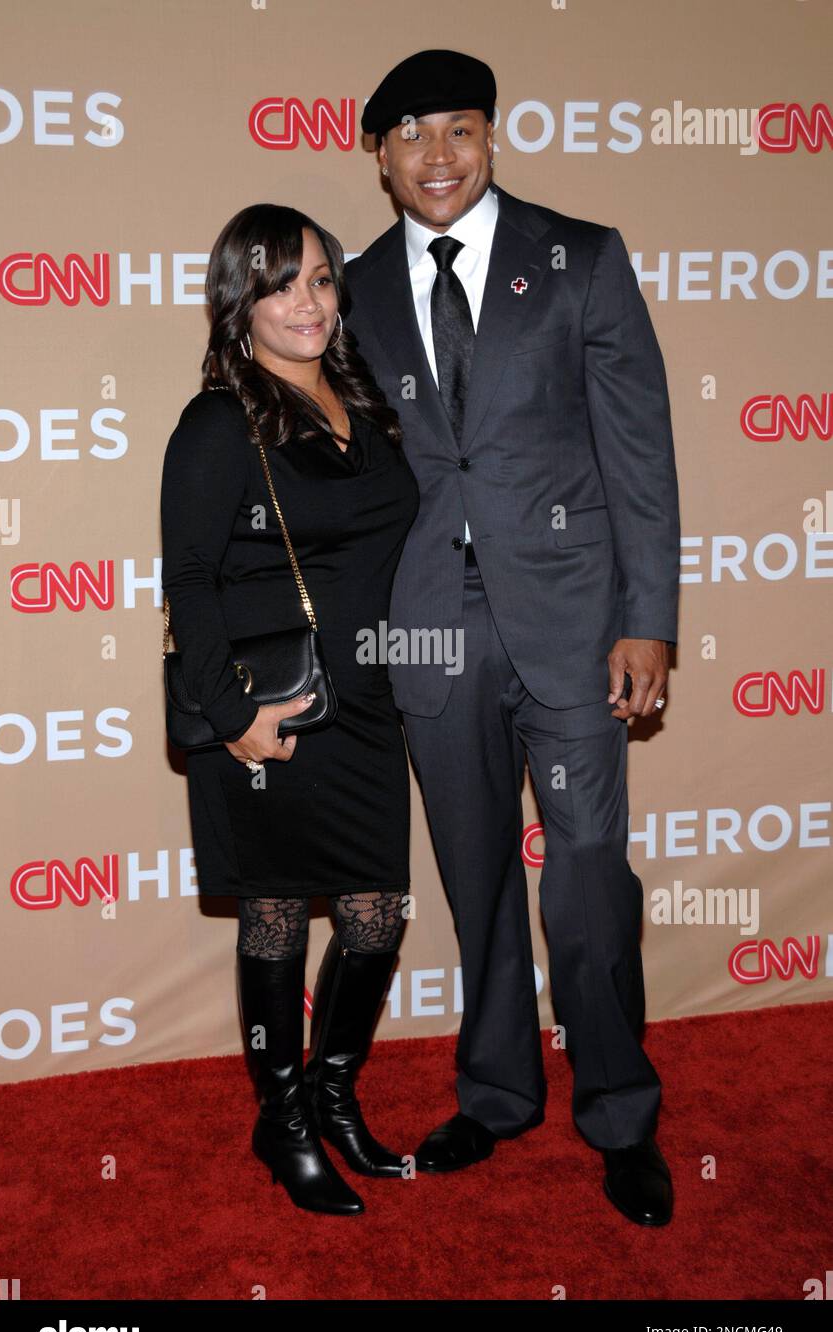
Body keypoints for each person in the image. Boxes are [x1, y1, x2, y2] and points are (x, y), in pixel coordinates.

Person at [343, 49, 681, 1226]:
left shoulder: (578, 256)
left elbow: (638, 451)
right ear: (377, 155)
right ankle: (493, 1095)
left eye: (461, 130)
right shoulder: (357, 287)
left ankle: (620, 1114)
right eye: (412, 136)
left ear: (490, 139)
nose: (439, 156)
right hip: (431, 629)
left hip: (577, 620)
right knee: (473, 871)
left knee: (586, 879)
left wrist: (648, 620)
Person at [160, 204, 420, 1216]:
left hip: (366, 703)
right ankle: (283, 1118)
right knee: (274, 914)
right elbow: (188, 579)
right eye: (278, 283)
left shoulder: (364, 402)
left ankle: (333, 1094)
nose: (304, 302)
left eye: (318, 278)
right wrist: (229, 717)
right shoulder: (222, 420)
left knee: (374, 914)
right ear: (241, 303)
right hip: (270, 713)